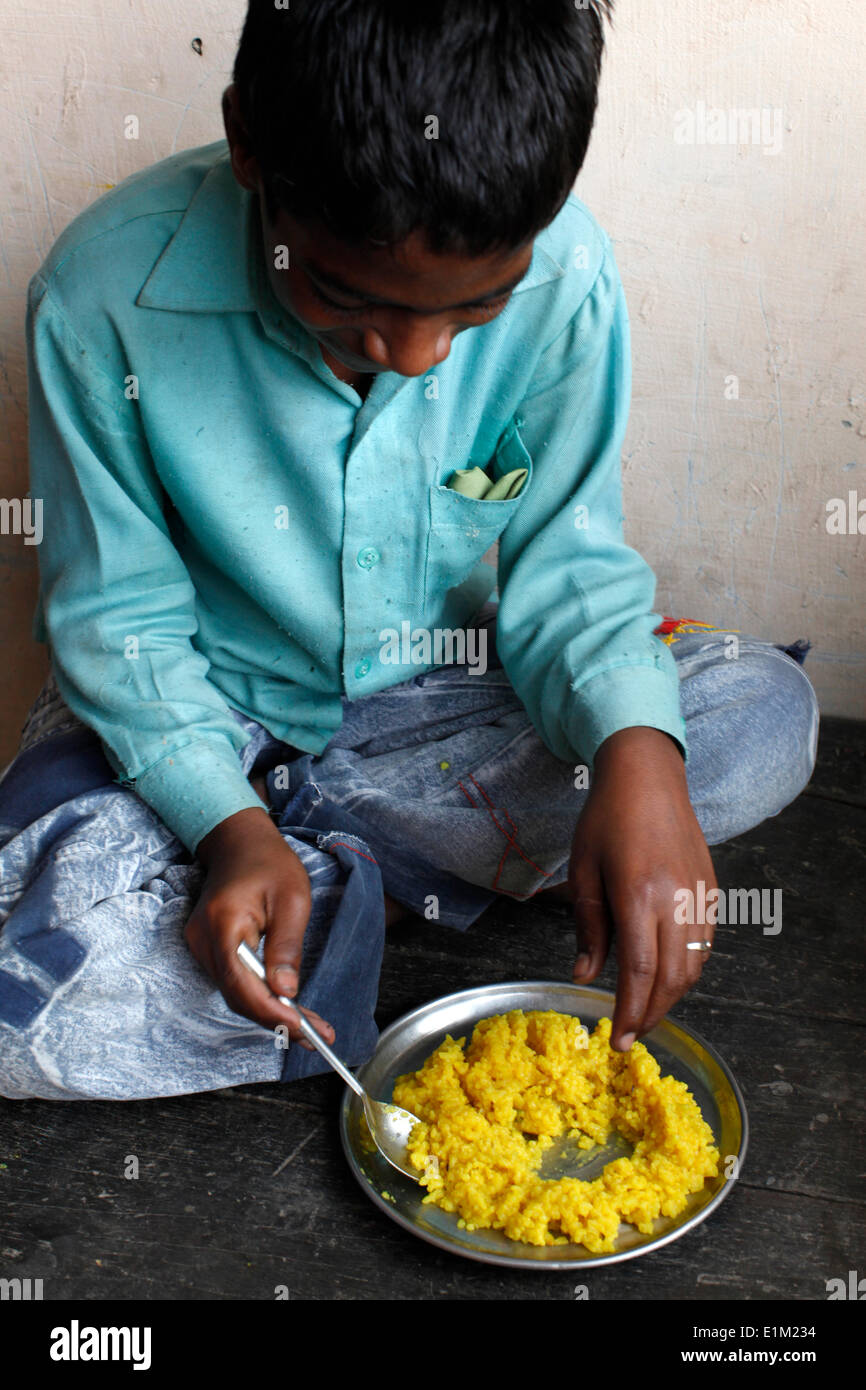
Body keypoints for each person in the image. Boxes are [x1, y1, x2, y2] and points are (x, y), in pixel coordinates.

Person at [0, 0, 818, 1100]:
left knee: (759, 718)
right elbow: (119, 625)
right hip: (194, 710)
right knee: (23, 1006)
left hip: (427, 699)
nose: (416, 352)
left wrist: (635, 757)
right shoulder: (100, 296)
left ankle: (313, 909)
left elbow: (568, 571)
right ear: (248, 142)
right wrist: (223, 818)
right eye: (344, 296)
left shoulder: (569, 277)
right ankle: (320, 881)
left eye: (475, 309)